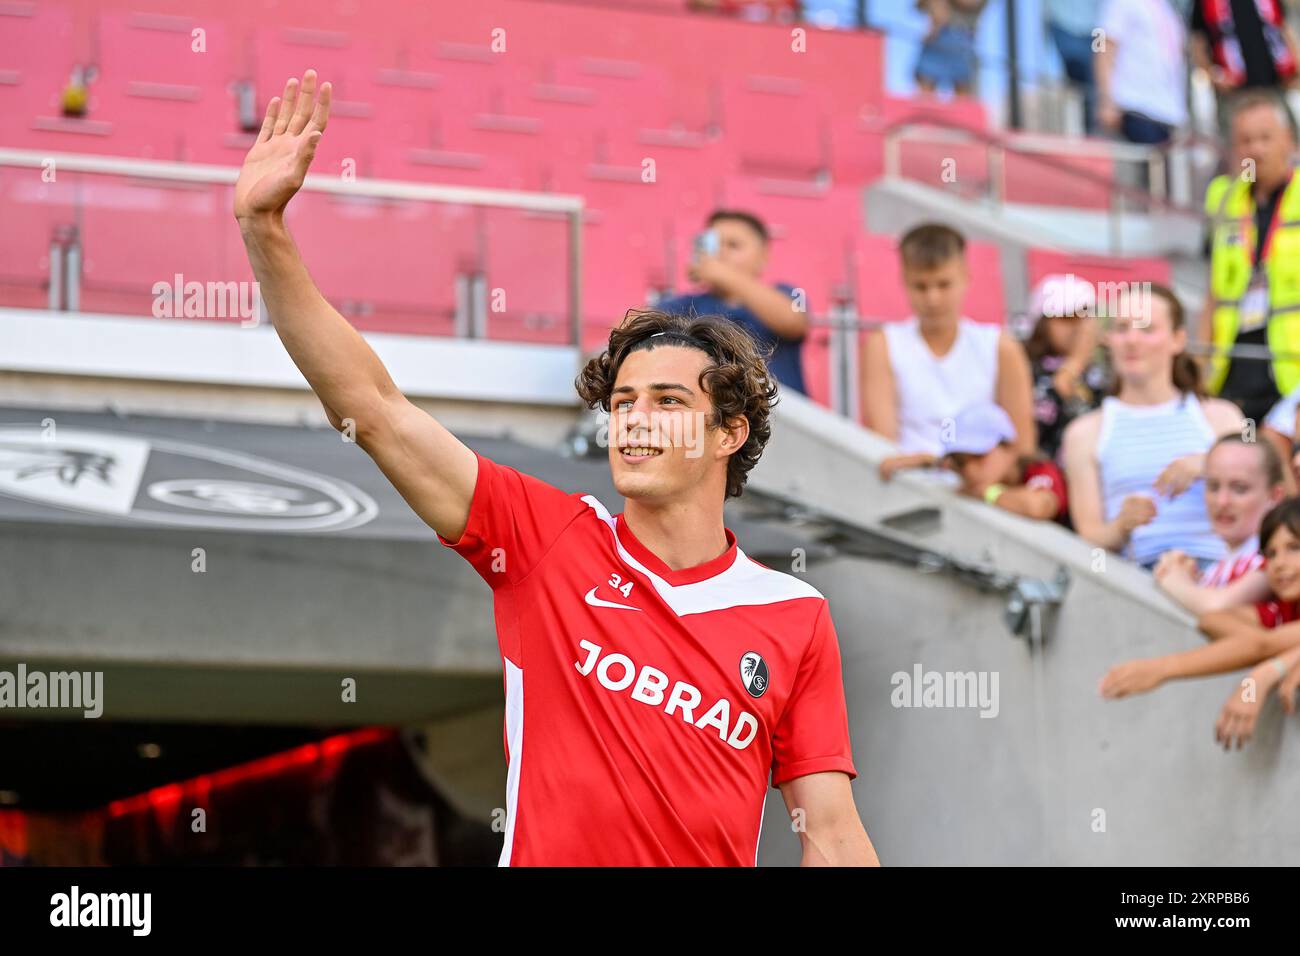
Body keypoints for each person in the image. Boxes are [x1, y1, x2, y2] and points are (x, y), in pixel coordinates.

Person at [233, 72, 878, 867]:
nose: (634, 418)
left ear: (727, 433)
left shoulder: (796, 614)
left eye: (666, 399)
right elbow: (376, 408)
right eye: (624, 400)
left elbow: (835, 835)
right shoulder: (543, 538)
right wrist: (265, 230)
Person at [1061, 284, 1244, 570]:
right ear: (1108, 339)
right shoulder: (1083, 433)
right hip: (1137, 584)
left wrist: (1211, 464)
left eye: (1147, 329)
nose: (1132, 340)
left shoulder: (1223, 416)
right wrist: (1121, 526)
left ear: (1178, 339)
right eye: (1122, 328)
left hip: (1219, 576)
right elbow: (1089, 534)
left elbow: (1267, 483)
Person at [867, 223, 1036, 478]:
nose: (933, 298)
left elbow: (1022, 449)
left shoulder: (1002, 348)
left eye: (943, 284)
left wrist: (969, 472)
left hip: (980, 492)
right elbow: (883, 446)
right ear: (904, 280)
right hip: (908, 487)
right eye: (921, 286)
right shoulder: (882, 345)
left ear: (966, 276)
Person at [1101, 497, 1300, 702]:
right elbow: (1212, 620)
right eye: (1271, 554)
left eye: (1294, 547)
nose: (1279, 563)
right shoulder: (1283, 608)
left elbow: (1262, 645)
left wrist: (1159, 670)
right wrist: (1279, 651)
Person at [1200, 92, 1300, 425]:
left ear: (1288, 140)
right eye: (1245, 141)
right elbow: (1213, 291)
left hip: (1290, 368)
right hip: (1234, 366)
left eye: (1265, 138)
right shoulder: (1222, 197)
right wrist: (1201, 362)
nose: (1255, 149)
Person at [658, 209, 809, 396]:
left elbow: (794, 322)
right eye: (712, 244)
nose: (720, 253)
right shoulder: (684, 305)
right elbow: (630, 328)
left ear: (763, 256)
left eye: (733, 245)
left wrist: (722, 274)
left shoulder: (789, 293)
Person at [1152, 434, 1286, 615]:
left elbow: (1215, 607)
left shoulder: (1275, 558)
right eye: (1213, 486)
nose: (1222, 502)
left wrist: (1171, 576)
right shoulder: (1217, 568)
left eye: (1239, 488)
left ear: (1275, 495)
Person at [1023, 273, 1107, 462]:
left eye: (1084, 317)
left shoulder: (1105, 370)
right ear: (1041, 324)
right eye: (1066, 319)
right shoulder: (1028, 370)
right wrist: (1074, 364)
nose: (1078, 327)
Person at [939, 402, 1070, 522]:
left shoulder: (1040, 470)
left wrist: (987, 492)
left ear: (1008, 446)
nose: (970, 470)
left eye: (979, 456)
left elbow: (1038, 506)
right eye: (961, 462)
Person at [1188, 0, 1298, 134]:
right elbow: (1197, 41)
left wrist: (1295, 66)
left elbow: (1283, 27)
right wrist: (1213, 75)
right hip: (1233, 93)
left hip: (1273, 85)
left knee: (1284, 137)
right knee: (1239, 146)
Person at [1095, 0, 1189, 147]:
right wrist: (1106, 99)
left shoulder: (1167, 7)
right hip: (1137, 108)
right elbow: (1102, 45)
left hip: (1166, 114)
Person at [1045, 0, 1102, 134]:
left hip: (1099, 31)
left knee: (1096, 81)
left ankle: (1093, 133)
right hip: (1063, 26)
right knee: (1073, 85)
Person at [914, 0, 988, 97]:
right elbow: (919, 6)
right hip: (938, 36)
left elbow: (970, 3)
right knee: (925, 86)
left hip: (961, 36)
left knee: (962, 89)